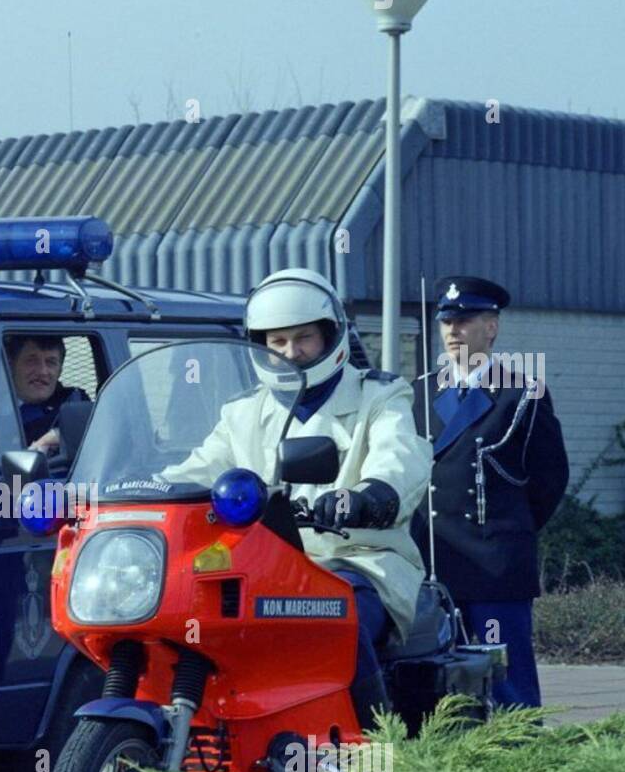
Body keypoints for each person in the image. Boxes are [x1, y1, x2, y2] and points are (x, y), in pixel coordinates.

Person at [162, 269, 433, 728]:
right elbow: (195, 472)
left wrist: (369, 495)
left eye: (303, 338)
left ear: (331, 335)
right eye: (277, 341)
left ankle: (376, 748)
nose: (291, 352)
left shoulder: (380, 397)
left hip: (357, 560)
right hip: (262, 568)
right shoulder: (243, 413)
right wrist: (137, 491)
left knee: (338, 622)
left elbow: (401, 458)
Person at [412, 276, 569, 707]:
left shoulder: (522, 393)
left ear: (491, 328)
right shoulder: (422, 391)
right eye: (446, 322)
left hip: (495, 565)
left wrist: (504, 530)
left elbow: (549, 480)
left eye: (464, 321)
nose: (452, 331)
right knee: (440, 680)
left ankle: (518, 759)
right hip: (435, 563)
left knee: (506, 679)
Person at [5, 333, 90, 456]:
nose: (42, 371)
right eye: (32, 361)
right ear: (11, 365)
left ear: (60, 371)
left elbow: (101, 434)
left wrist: (58, 436)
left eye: (51, 362)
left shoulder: (74, 402)